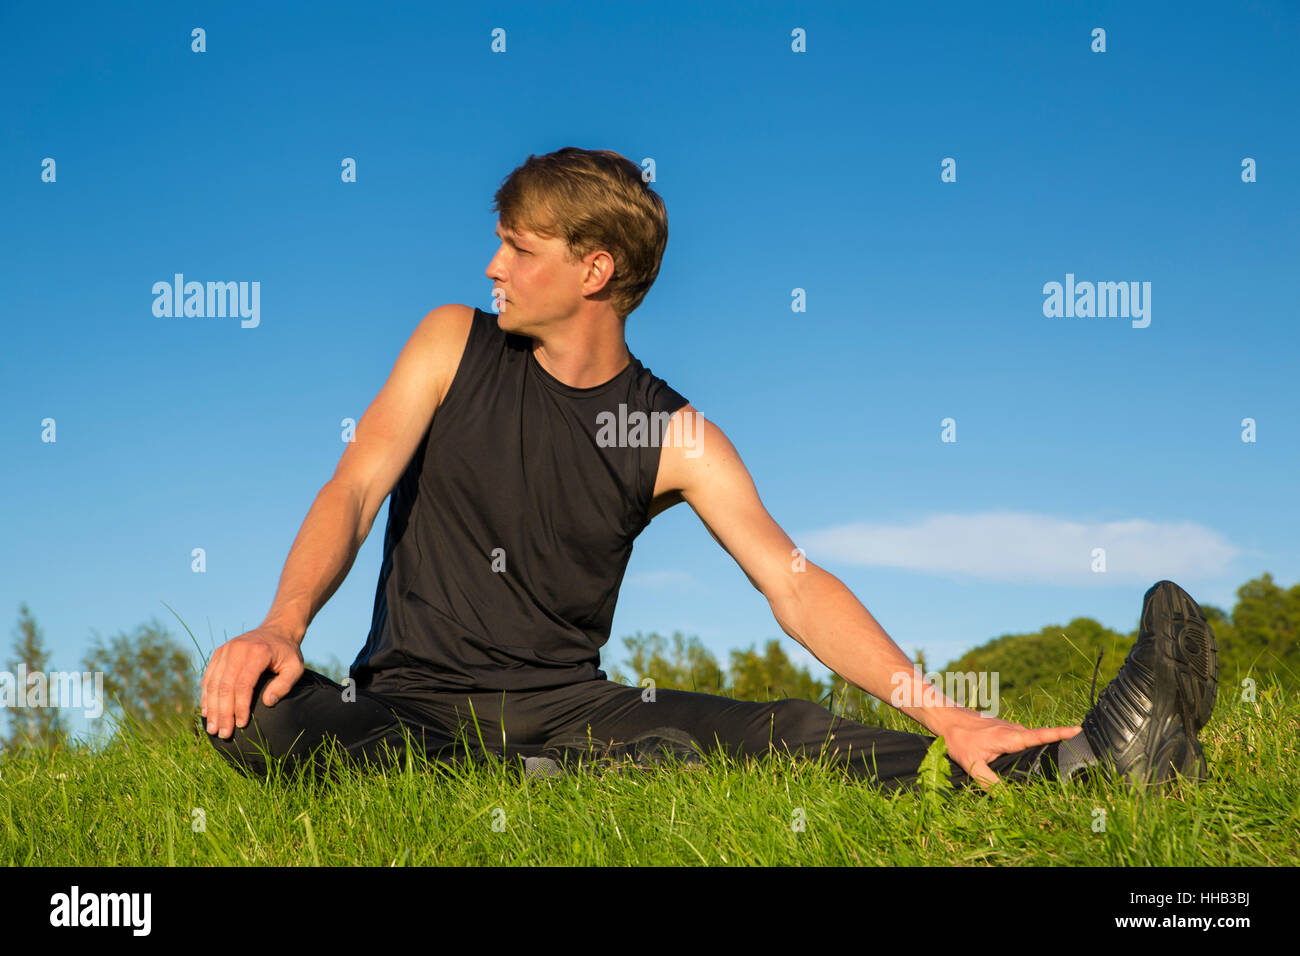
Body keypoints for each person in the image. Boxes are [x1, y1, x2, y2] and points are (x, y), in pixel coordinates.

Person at [200, 147, 1218, 794]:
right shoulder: (448, 343)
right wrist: (281, 624)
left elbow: (793, 581)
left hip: (568, 705)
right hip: (410, 704)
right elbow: (354, 486)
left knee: (790, 731)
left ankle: (1080, 768)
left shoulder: (676, 435)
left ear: (593, 269)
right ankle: (538, 778)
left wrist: (940, 707)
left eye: (516, 246)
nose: (491, 266)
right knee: (262, 717)